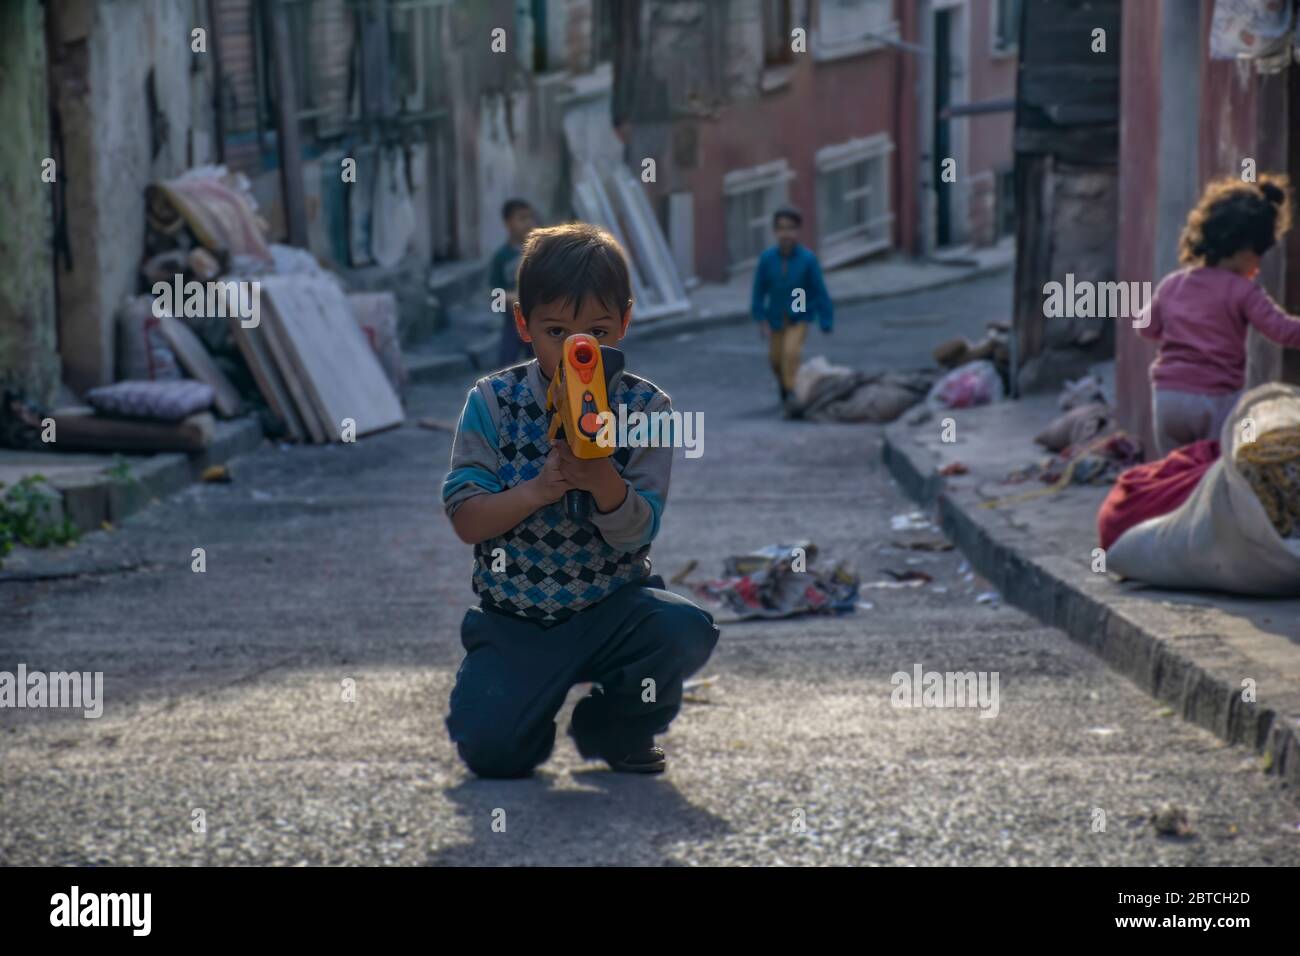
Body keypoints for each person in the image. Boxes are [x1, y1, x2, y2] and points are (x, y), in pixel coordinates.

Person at [442, 222, 719, 779]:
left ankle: (615, 725)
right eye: (555, 332)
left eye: (596, 331)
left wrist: (601, 481)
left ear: (625, 321)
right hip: (517, 619)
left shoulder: (646, 408)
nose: (577, 351)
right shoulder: (491, 402)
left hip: (612, 608)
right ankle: (523, 703)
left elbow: (640, 530)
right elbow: (468, 519)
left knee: (682, 629)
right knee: (494, 755)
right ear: (522, 323)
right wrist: (539, 490)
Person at [1138, 175, 1300, 457]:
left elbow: (1146, 327)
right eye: (1257, 255)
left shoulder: (1172, 284)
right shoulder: (1243, 291)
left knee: (1175, 472)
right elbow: (1282, 330)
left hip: (1168, 399)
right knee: (1213, 475)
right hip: (1215, 400)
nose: (1258, 266)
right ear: (1243, 249)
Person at [750, 206, 833, 416]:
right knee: (776, 359)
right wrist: (761, 319)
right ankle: (785, 386)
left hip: (799, 316)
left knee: (791, 353)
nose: (786, 233)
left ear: (798, 231)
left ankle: (792, 395)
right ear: (775, 232)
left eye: (790, 228)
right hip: (775, 318)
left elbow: (819, 291)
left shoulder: (807, 259)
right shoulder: (767, 259)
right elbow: (758, 292)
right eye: (781, 228)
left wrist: (825, 319)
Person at [490, 198, 537, 368]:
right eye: (522, 218)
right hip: (513, 323)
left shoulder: (541, 253)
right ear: (508, 223)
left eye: (530, 217)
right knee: (506, 367)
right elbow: (496, 301)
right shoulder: (501, 257)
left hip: (538, 322)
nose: (528, 223)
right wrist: (510, 298)